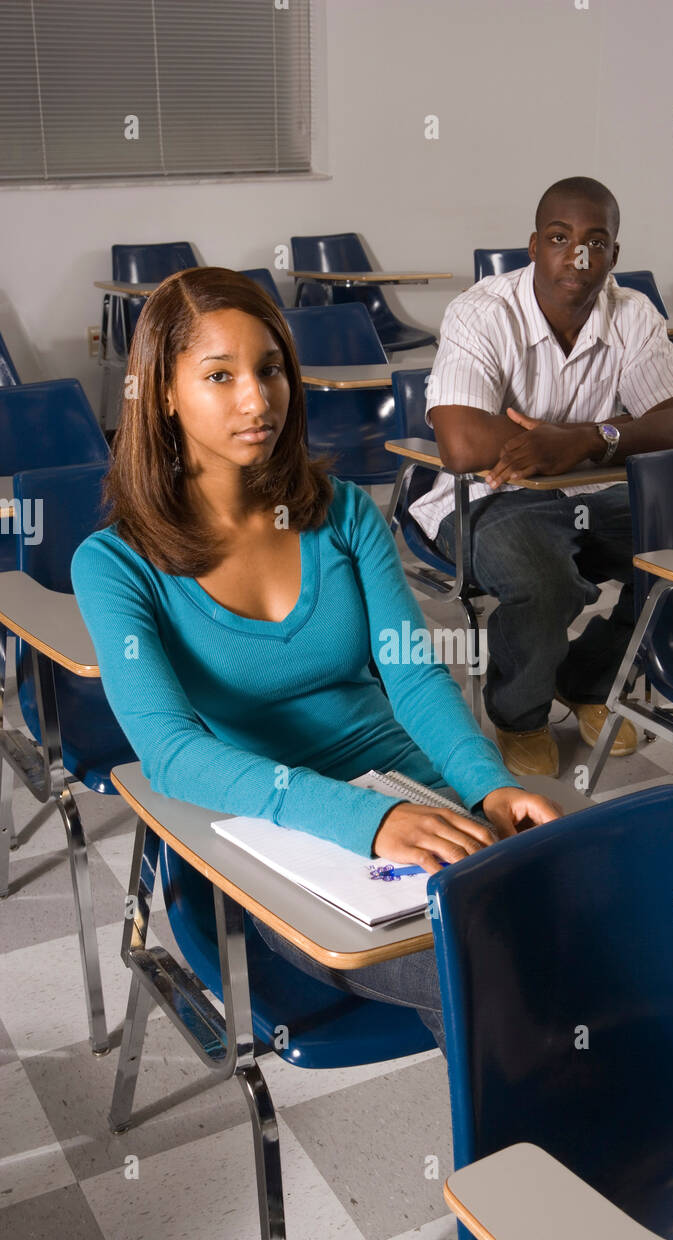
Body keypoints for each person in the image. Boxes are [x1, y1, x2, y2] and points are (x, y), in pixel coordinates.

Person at [71, 267, 563, 1056]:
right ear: (161, 393)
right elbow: (171, 756)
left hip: (418, 798)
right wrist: (370, 824)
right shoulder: (114, 564)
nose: (257, 400)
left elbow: (413, 676)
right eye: (220, 376)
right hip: (291, 838)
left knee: (595, 913)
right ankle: (535, 1172)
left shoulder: (341, 514)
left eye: (270, 369)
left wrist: (488, 784)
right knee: (494, 971)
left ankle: (597, 1161)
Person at [411, 177, 673, 778]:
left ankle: (588, 676)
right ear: (533, 246)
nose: (577, 255)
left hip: (592, 490)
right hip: (490, 496)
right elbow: (464, 442)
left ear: (615, 256)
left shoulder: (633, 313)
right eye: (559, 238)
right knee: (542, 575)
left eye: (596, 242)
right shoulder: (482, 311)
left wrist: (581, 440)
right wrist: (610, 434)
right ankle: (519, 714)